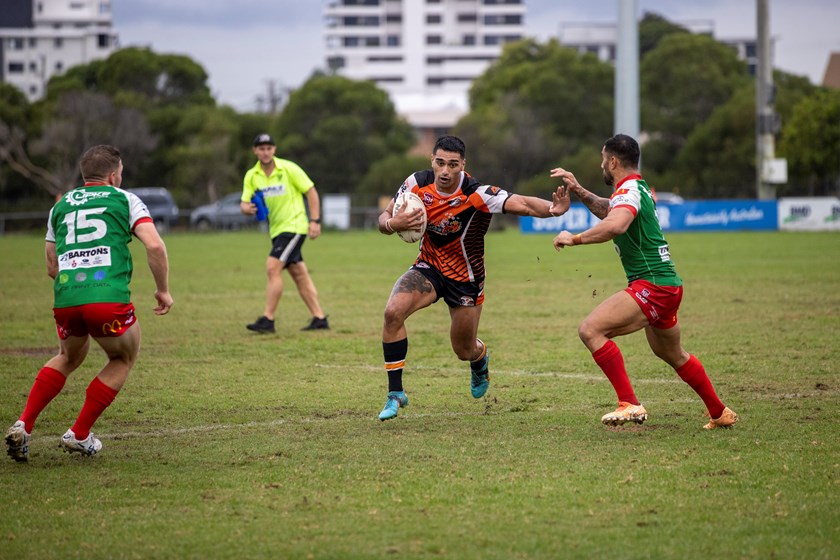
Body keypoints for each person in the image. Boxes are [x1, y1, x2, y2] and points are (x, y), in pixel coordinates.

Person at [550, 133, 738, 430]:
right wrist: (578, 190)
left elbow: (616, 223)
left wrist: (575, 238)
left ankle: (629, 403)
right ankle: (719, 412)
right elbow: (611, 209)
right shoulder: (636, 189)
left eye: (603, 159)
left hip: (652, 284)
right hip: (667, 283)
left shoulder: (629, 191)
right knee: (671, 353)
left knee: (591, 330)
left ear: (612, 161)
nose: (602, 164)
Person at [376, 135, 569, 421]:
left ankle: (479, 360)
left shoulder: (478, 193)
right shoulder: (416, 183)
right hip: (428, 267)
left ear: (462, 165)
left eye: (452, 165)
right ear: (432, 160)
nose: (444, 171)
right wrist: (393, 223)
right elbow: (384, 218)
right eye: (440, 163)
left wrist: (552, 210)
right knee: (393, 313)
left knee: (463, 349)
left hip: (466, 278)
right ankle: (395, 394)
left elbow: (523, 204)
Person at [4, 145, 173, 462]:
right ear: (113, 175)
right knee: (122, 358)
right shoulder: (125, 199)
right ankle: (79, 434)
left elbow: (51, 267)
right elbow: (155, 246)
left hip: (67, 298)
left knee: (67, 357)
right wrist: (163, 290)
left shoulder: (61, 205)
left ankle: (22, 424)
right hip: (107, 299)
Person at [241, 133, 329, 333]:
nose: (265, 152)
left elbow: (311, 191)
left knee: (273, 267)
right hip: (276, 230)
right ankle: (319, 318)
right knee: (299, 274)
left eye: (269, 148)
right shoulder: (252, 175)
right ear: (255, 151)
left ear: (274, 149)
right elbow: (244, 204)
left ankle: (268, 319)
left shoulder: (289, 169)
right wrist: (247, 209)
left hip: (295, 227)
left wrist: (315, 221)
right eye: (261, 148)